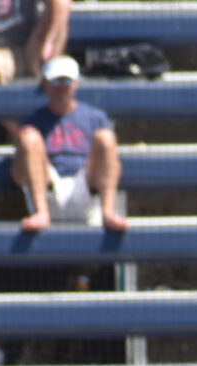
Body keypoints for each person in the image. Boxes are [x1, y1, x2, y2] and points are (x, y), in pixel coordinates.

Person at [12, 55, 125, 233]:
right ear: (46, 84)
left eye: (66, 80)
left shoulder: (95, 118)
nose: (61, 87)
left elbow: (113, 165)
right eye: (56, 81)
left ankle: (108, 211)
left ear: (76, 83)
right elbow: (18, 176)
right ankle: (41, 212)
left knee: (106, 138)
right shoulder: (32, 121)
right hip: (48, 185)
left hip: (86, 183)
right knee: (29, 137)